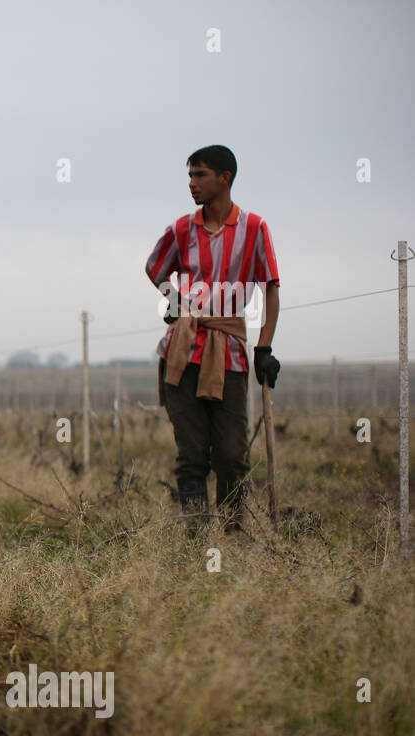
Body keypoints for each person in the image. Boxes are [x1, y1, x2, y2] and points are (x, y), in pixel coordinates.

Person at [145, 145, 281, 535]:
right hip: (182, 352)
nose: (191, 184)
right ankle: (197, 535)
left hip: (232, 356)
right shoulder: (181, 229)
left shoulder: (255, 228)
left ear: (225, 178)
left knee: (231, 455)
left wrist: (264, 347)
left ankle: (233, 533)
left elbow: (271, 287)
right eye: (189, 175)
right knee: (190, 454)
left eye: (199, 175)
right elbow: (155, 267)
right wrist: (172, 297)